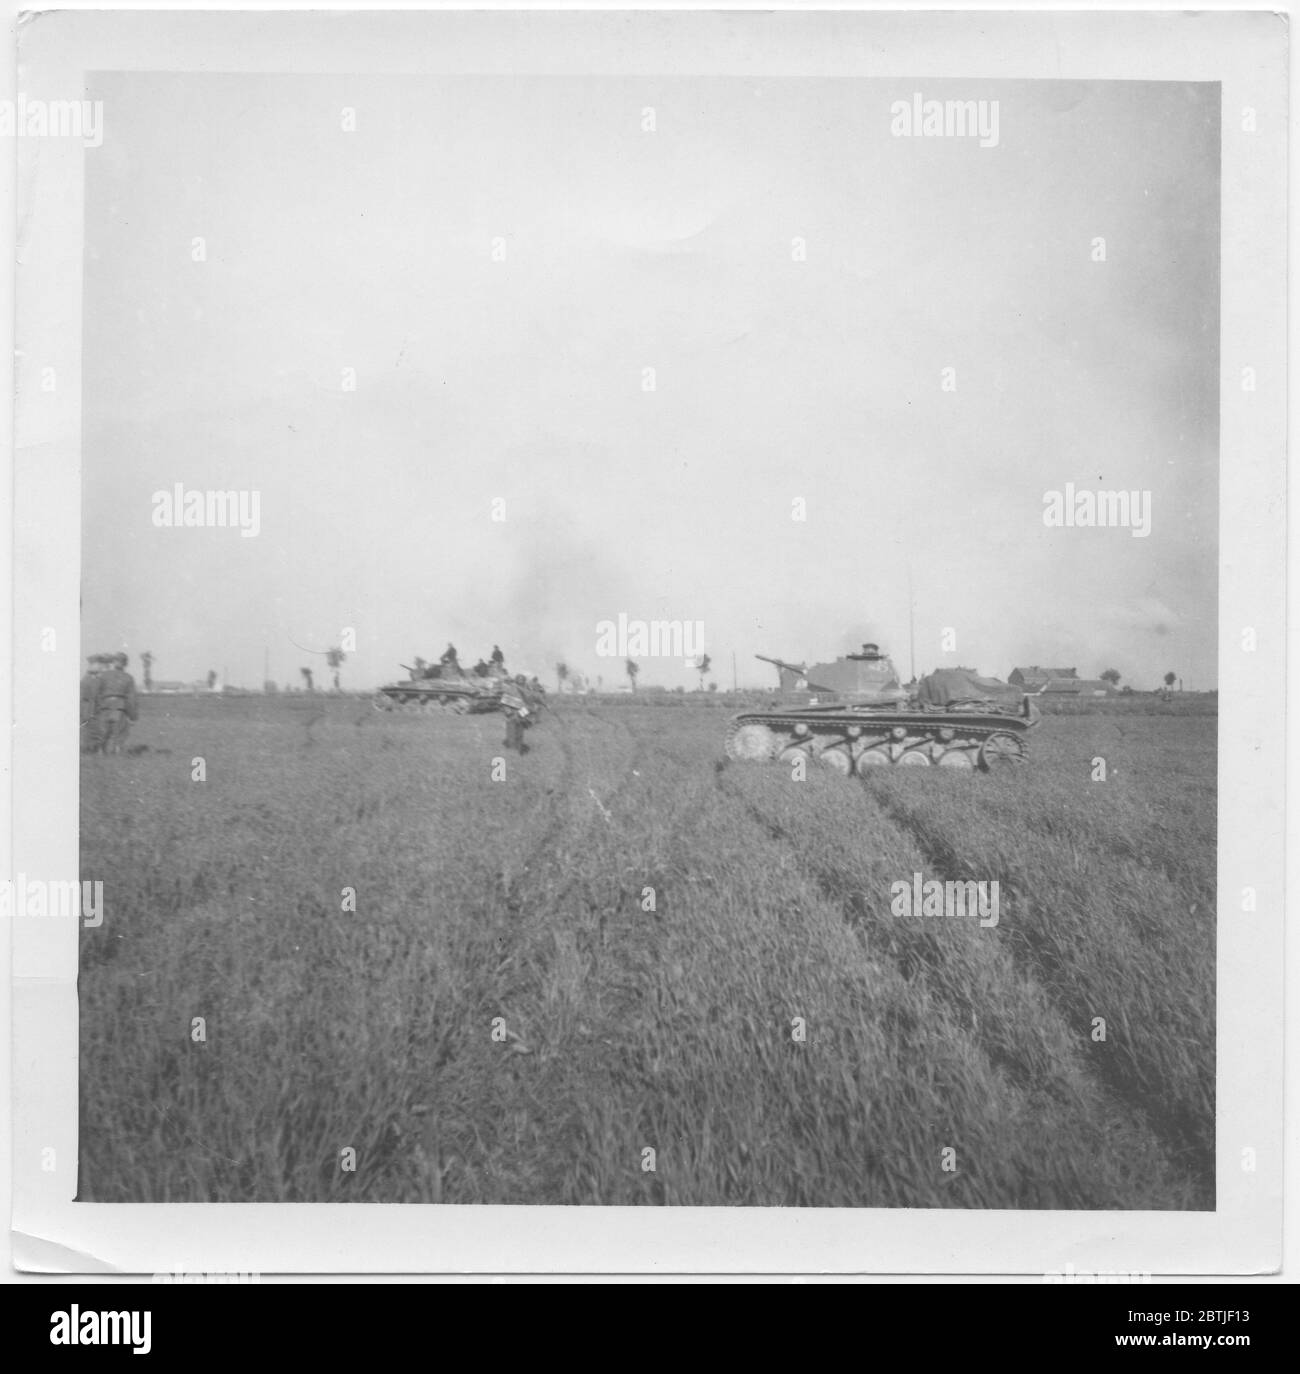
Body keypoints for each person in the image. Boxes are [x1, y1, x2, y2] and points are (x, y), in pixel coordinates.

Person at [94, 653, 139, 754]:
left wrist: (96, 708)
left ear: (113, 662)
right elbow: (131, 698)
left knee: (103, 731)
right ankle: (116, 754)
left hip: (105, 706)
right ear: (125, 664)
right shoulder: (128, 678)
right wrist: (133, 716)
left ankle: (100, 752)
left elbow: (97, 693)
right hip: (119, 707)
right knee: (119, 733)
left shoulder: (103, 676)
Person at [500, 675, 532, 754]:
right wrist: (508, 712)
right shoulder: (511, 689)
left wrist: (524, 713)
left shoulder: (526, 690)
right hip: (512, 713)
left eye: (523, 680)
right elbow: (505, 702)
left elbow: (529, 704)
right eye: (519, 679)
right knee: (511, 730)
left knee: (520, 731)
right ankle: (511, 747)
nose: (521, 681)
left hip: (522, 713)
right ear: (516, 680)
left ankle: (519, 745)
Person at [80, 656, 104, 753]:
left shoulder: (96, 679)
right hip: (89, 709)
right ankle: (91, 749)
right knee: (90, 730)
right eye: (97, 665)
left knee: (95, 730)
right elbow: (85, 697)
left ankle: (94, 749)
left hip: (94, 709)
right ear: (91, 666)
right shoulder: (87, 680)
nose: (100, 667)